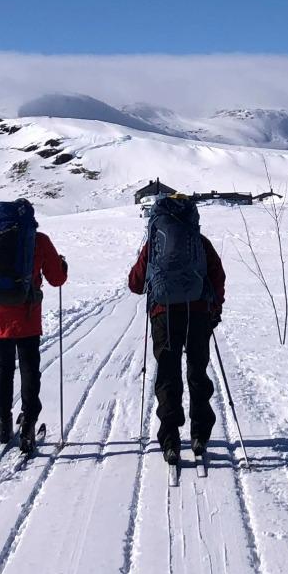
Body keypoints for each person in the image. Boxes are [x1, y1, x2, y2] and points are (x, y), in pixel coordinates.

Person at [127, 195, 225, 464]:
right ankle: (199, 435)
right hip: (198, 313)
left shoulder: (155, 245)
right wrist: (215, 307)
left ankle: (170, 440)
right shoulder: (199, 242)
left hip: (164, 314)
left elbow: (135, 284)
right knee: (197, 372)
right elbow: (217, 275)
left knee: (168, 375)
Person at [0, 199, 68, 455]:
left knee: (4, 369)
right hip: (27, 318)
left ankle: (3, 422)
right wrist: (62, 266)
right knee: (29, 370)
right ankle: (29, 425)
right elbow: (57, 279)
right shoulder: (38, 240)